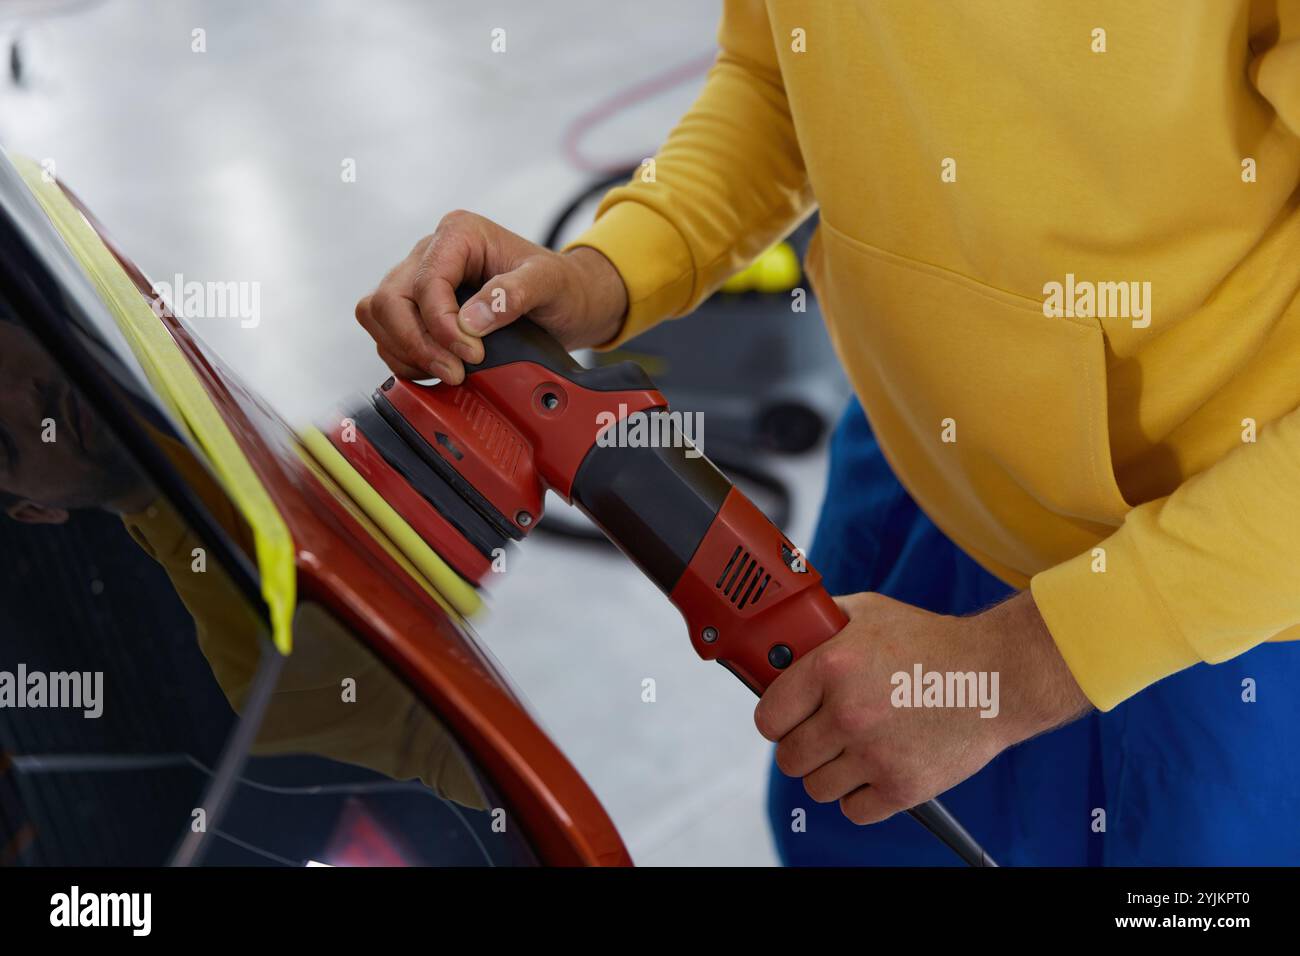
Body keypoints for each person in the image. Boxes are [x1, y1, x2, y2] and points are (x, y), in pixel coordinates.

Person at [354, 1, 1300, 865]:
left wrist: (1013, 667)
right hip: (921, 471)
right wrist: (611, 273)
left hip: (1216, 597)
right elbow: (780, 78)